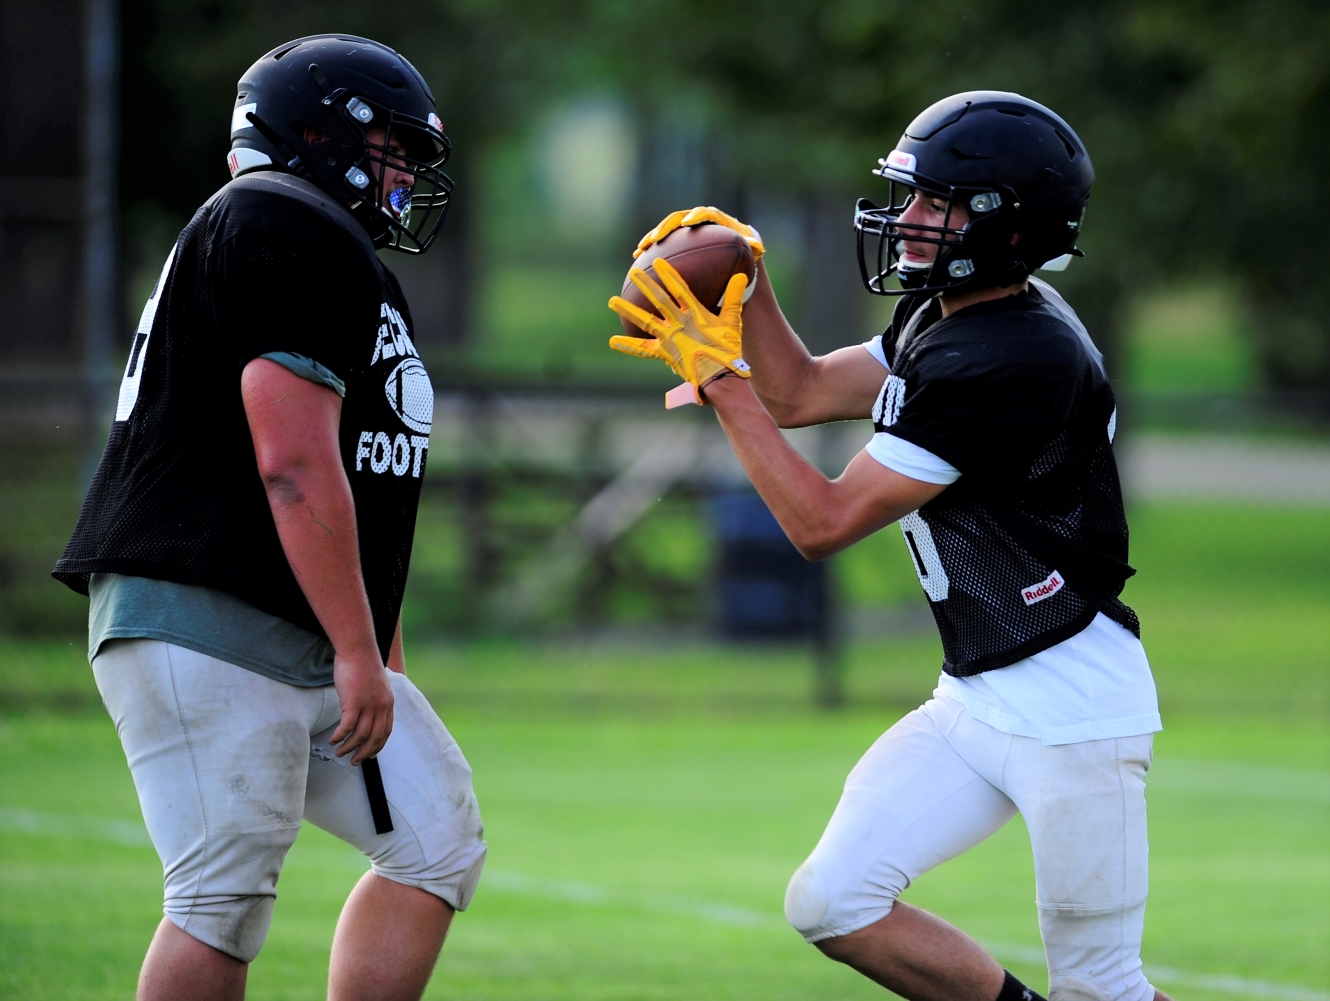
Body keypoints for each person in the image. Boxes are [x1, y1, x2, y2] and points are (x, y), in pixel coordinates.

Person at [609, 91, 1169, 1001]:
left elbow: (820, 522)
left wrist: (717, 379)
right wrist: (747, 275)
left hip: (1072, 702)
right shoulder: (953, 313)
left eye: (936, 203)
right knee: (834, 901)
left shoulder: (1010, 354)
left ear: (1006, 223)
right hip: (976, 692)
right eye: (911, 197)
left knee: (1102, 986)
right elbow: (798, 390)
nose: (908, 220)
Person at [53, 35, 484, 1001]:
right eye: (395, 150)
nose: (406, 175)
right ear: (321, 137)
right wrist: (356, 649)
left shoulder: (319, 238)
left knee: (435, 841)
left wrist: (375, 645)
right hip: (209, 614)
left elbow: (362, 487)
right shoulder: (279, 223)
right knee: (220, 901)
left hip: (294, 624)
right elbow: (291, 464)